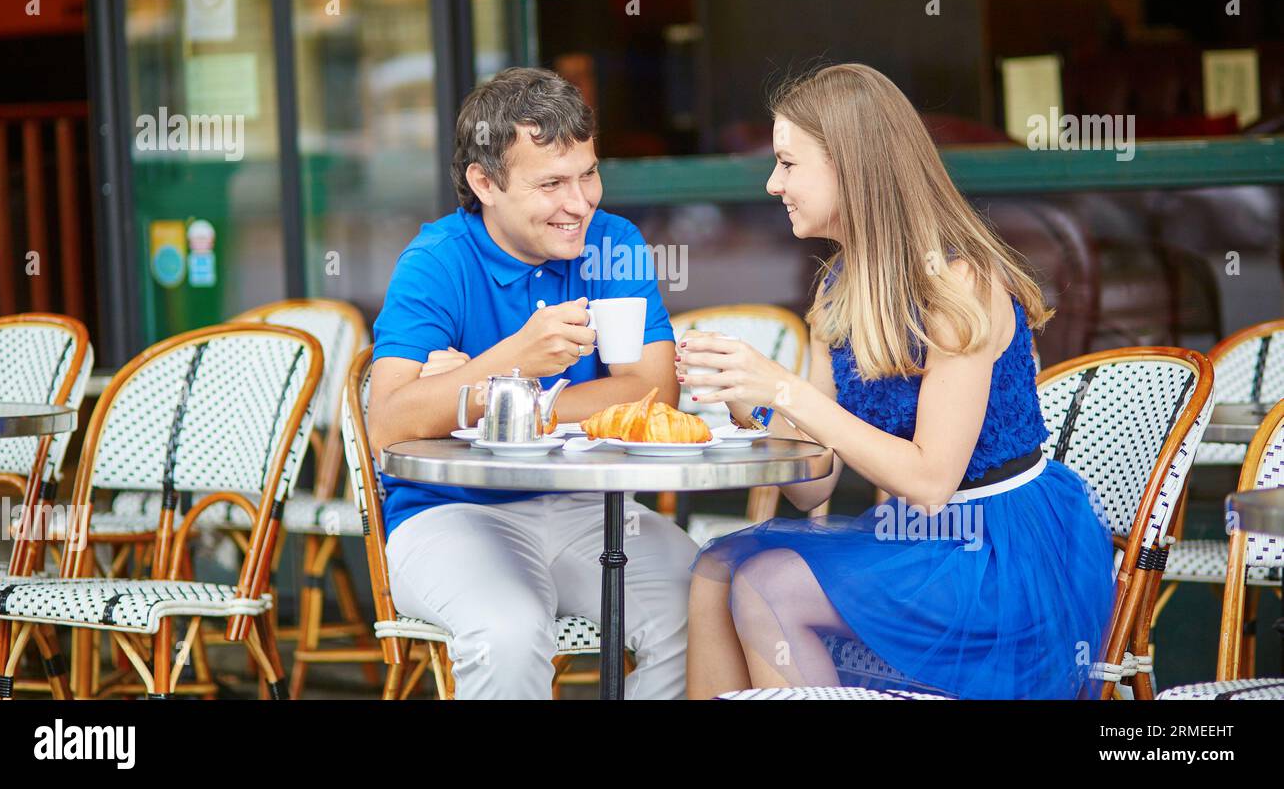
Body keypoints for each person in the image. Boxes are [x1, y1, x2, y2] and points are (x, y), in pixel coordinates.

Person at [678, 63, 1116, 699]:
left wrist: (784, 390)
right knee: (717, 571)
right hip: (917, 541)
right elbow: (815, 485)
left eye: (788, 164)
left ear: (852, 169)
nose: (774, 184)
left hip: (998, 551)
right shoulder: (839, 288)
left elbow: (931, 481)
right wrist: (757, 407)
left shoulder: (960, 287)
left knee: (765, 586)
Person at [368, 67, 697, 699]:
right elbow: (390, 421)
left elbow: (654, 392)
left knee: (702, 597)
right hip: (450, 514)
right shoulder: (436, 261)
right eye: (551, 183)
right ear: (484, 183)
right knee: (509, 629)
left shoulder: (614, 243)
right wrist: (512, 358)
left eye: (588, 174)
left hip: (591, 509)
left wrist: (489, 397)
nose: (580, 203)